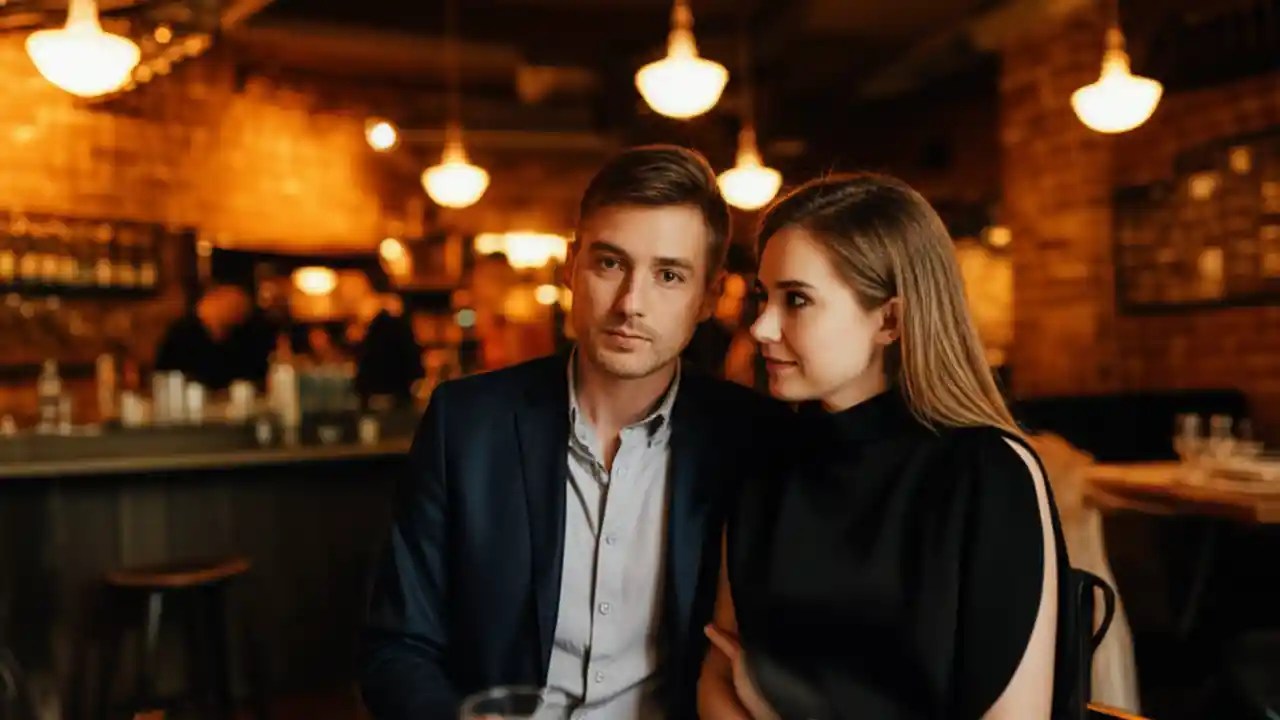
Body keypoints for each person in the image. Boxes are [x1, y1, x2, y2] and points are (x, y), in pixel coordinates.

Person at [360, 145, 787, 720]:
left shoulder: (753, 438)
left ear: (708, 296)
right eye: (610, 263)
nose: (631, 304)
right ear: (571, 265)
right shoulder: (465, 423)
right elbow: (397, 646)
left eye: (668, 275)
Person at [698, 173, 1078, 719]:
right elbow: (717, 676)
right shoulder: (767, 459)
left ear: (891, 319)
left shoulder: (988, 474)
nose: (760, 327)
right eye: (764, 297)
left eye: (797, 300)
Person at [154, 284, 250, 390]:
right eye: (233, 307)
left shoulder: (239, 337)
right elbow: (167, 375)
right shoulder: (182, 335)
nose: (239, 316)